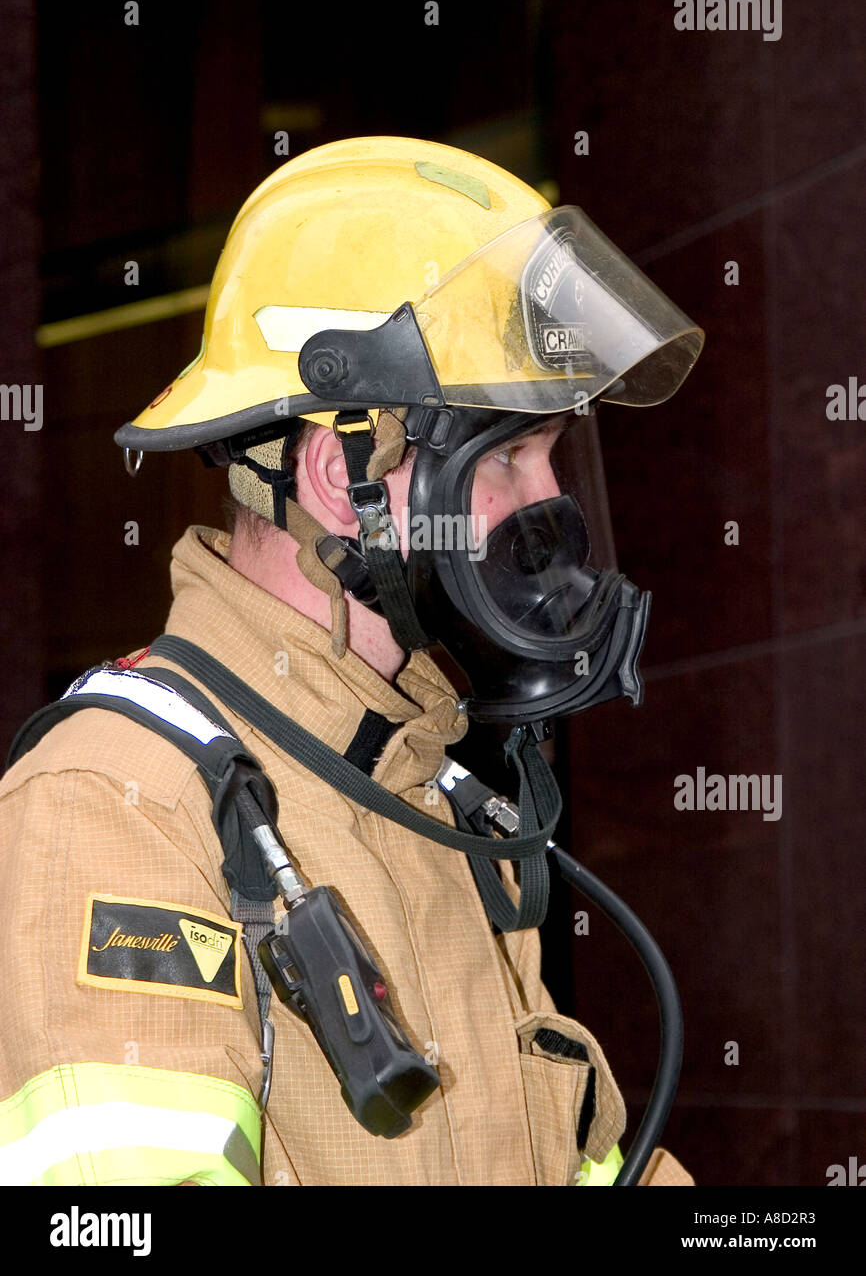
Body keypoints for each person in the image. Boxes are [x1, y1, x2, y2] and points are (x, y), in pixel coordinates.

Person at [0, 136, 703, 1186]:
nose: (545, 510)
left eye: (553, 455)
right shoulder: (116, 801)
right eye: (505, 454)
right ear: (343, 478)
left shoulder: (427, 795)